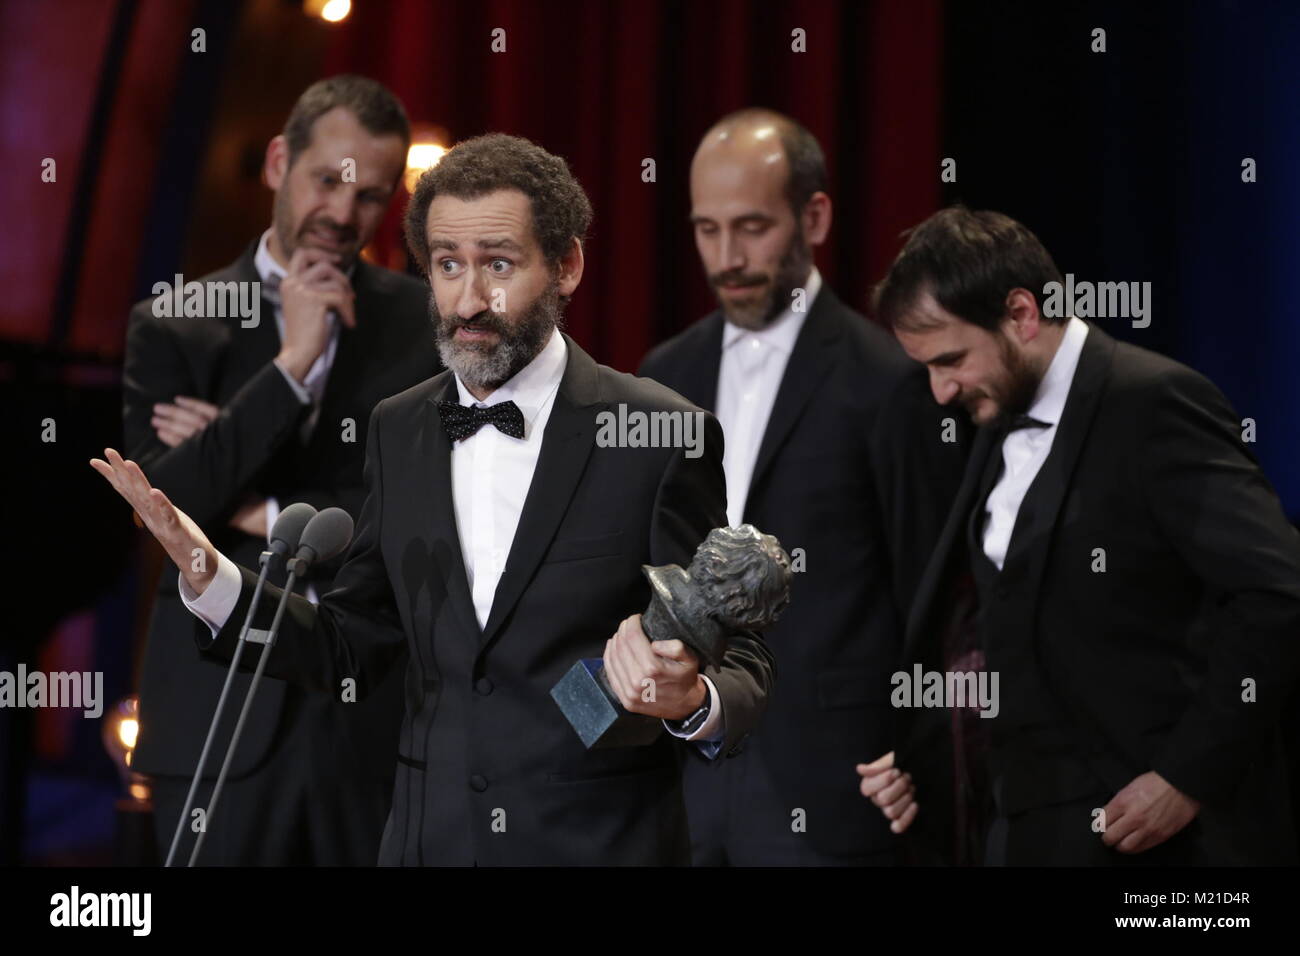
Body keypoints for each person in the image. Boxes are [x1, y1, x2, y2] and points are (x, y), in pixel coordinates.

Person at [96, 132, 775, 866]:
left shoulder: (660, 431)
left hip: (599, 843)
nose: (469, 299)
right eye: (448, 265)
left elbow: (742, 656)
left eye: (500, 265)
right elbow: (353, 641)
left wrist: (691, 700)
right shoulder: (398, 427)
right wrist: (211, 578)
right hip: (427, 843)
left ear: (567, 265)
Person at [859, 205, 1300, 865]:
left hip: (1167, 845)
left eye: (949, 359)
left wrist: (1187, 778)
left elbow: (1278, 593)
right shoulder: (997, 417)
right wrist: (925, 751)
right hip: (1023, 833)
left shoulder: (1153, 402)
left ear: (1021, 315)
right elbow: (994, 632)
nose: (941, 391)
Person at [122, 75, 441, 865]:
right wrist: (293, 366)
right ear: (276, 164)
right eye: (326, 180)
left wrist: (254, 507)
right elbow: (166, 508)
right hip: (213, 717)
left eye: (370, 194)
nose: (343, 212)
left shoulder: (423, 320)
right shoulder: (174, 322)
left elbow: (414, 507)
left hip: (367, 716)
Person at [639, 109, 966, 865]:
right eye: (707, 229)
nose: (727, 257)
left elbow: (936, 600)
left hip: (834, 789)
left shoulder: (890, 383)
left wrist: (913, 756)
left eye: (752, 227)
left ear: (813, 216)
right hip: (678, 780)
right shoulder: (660, 377)